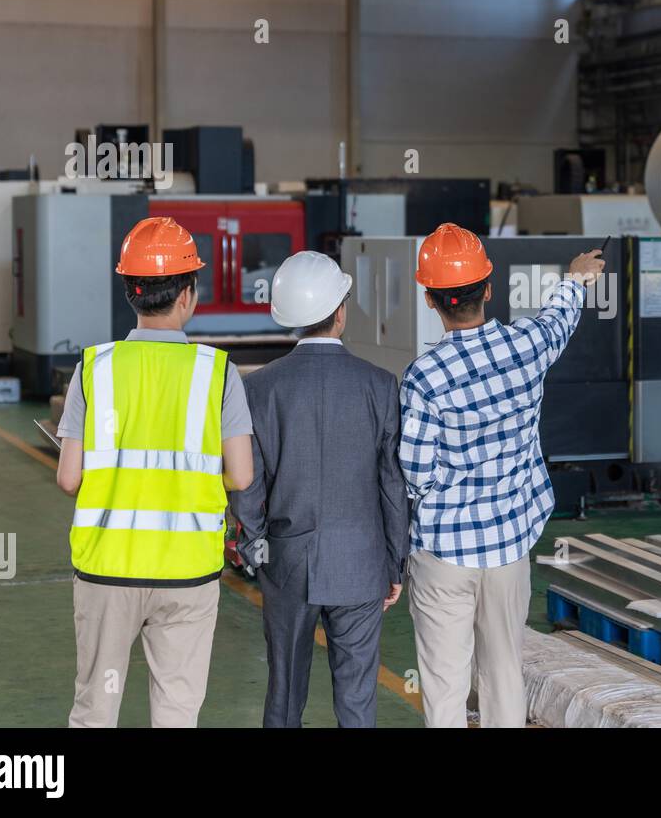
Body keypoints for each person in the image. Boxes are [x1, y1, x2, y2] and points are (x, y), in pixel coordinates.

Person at [399, 222, 604, 728]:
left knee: (445, 684)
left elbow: (415, 472)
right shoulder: (526, 346)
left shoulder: (425, 376)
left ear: (430, 300)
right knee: (504, 673)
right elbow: (559, 320)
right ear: (488, 289)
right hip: (510, 545)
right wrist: (575, 278)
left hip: (444, 551)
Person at [55, 216, 254, 728]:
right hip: (187, 573)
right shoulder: (217, 372)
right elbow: (242, 475)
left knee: (96, 706)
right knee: (176, 709)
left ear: (130, 293)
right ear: (189, 293)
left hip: (107, 569)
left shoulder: (94, 367)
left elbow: (69, 479)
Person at [229, 251, 408, 728]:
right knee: (356, 698)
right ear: (341, 311)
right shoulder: (380, 385)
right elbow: (392, 483)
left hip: (287, 565)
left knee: (284, 695)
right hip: (362, 561)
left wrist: (253, 546)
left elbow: (246, 483)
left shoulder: (260, 388)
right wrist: (395, 561)